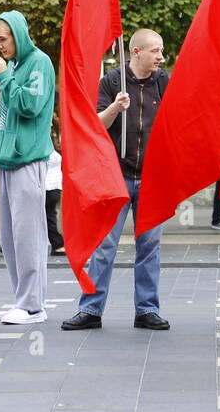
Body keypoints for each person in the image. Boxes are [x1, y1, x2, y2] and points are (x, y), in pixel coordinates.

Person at [62, 28, 170, 331]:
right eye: (155, 50)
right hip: (116, 176)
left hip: (151, 177)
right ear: (136, 52)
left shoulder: (163, 82)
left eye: (161, 51)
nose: (161, 56)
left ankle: (147, 309)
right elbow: (94, 123)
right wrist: (115, 107)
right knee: (105, 245)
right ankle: (91, 309)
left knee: (149, 247)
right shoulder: (111, 81)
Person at [0, 11, 56, 325]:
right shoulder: (17, 64)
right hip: (10, 159)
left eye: (3, 38)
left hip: (27, 160)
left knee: (28, 234)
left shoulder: (38, 62)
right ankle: (24, 300)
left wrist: (4, 77)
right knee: (14, 236)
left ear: (18, 34)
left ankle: (32, 305)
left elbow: (30, 106)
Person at [45, 119, 64, 256]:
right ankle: (57, 244)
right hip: (48, 187)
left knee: (49, 215)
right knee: (49, 216)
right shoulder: (45, 149)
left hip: (53, 186)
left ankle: (57, 244)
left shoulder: (52, 148)